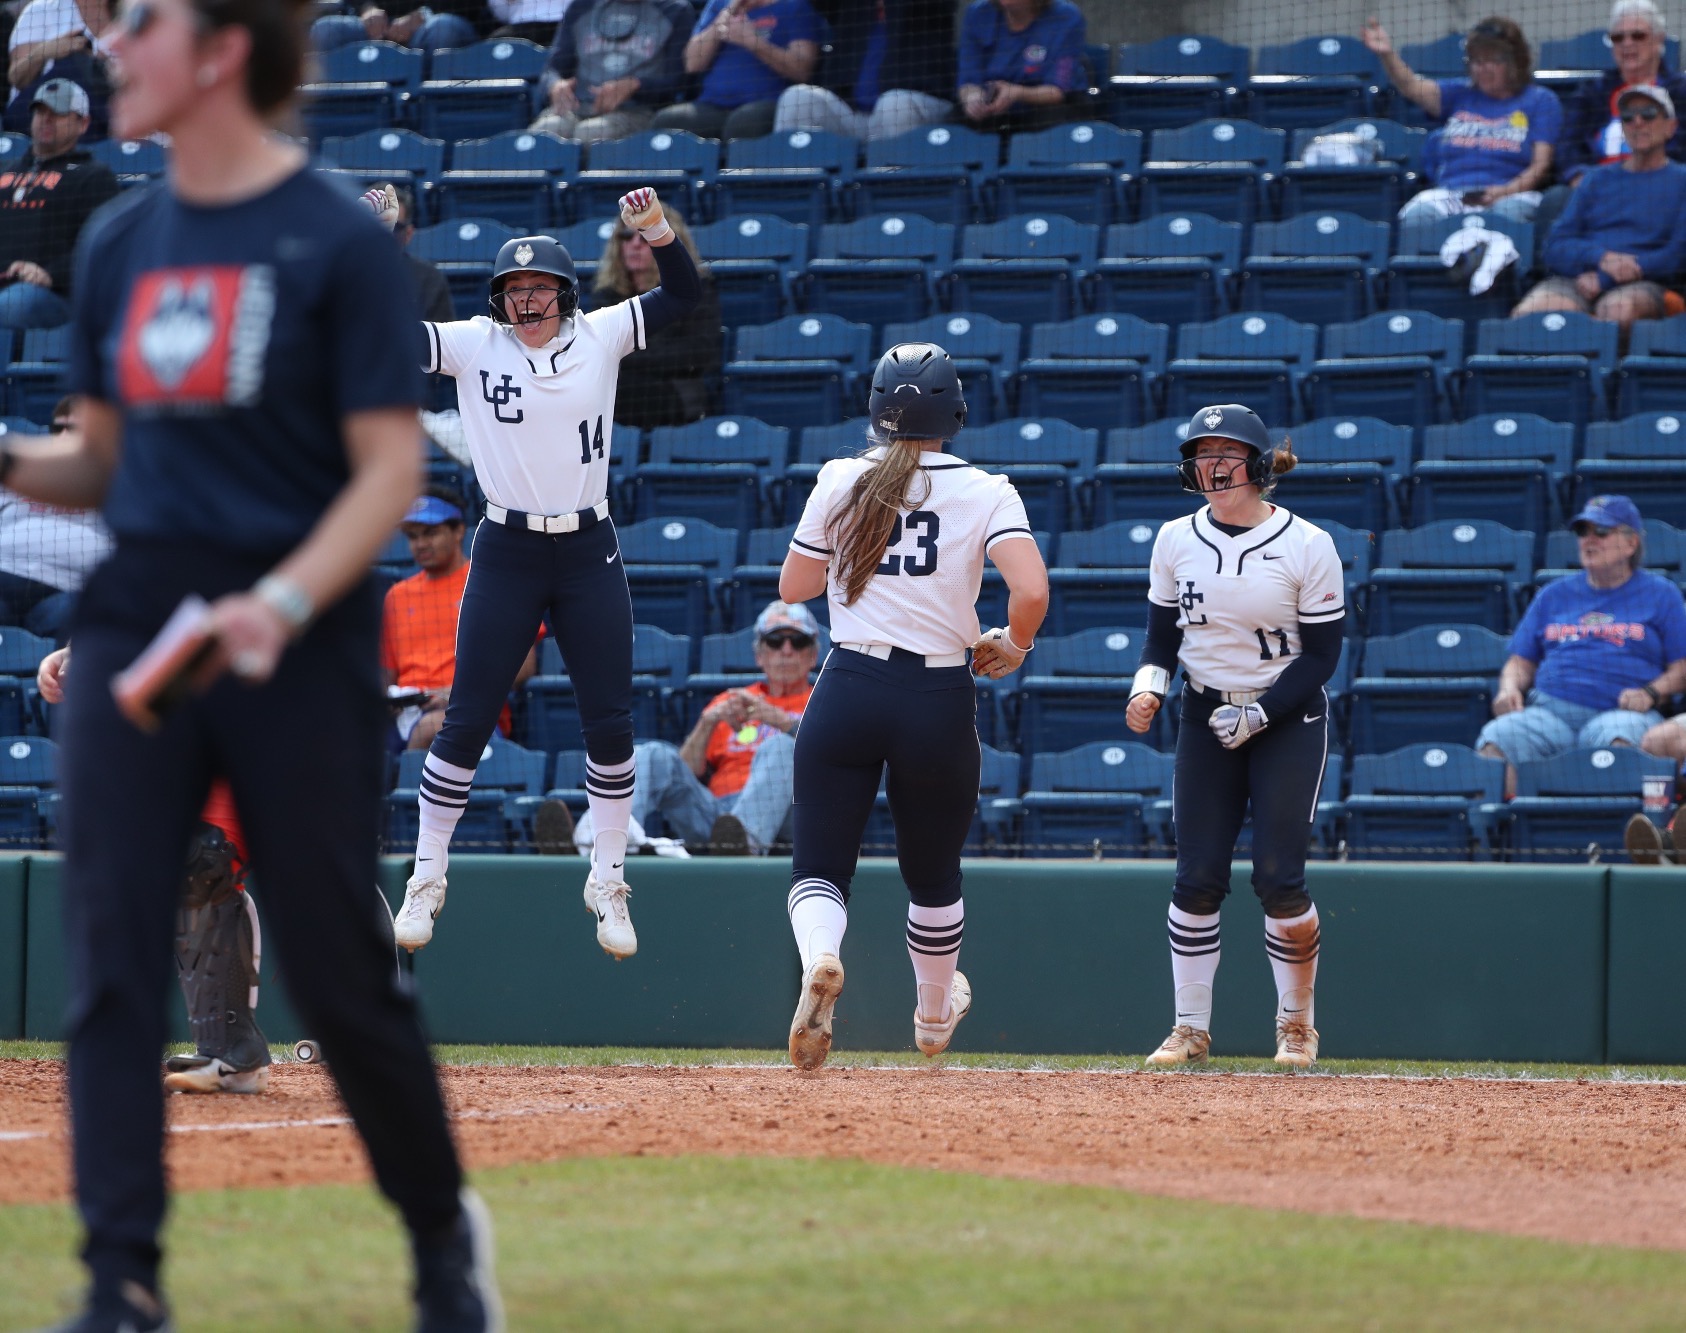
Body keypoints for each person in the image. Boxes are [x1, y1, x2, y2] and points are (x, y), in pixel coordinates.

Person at [2, 0, 498, 1324]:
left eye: (140, 26)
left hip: (299, 636)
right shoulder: (116, 240)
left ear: (222, 50)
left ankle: (443, 1245)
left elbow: (390, 468)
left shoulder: (334, 239)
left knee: (338, 963)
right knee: (110, 956)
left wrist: (277, 602)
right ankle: (121, 1281)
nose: (107, 52)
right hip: (139, 626)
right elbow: (96, 457)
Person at [375, 185, 701, 962]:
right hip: (507, 548)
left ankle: (609, 877)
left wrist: (654, 228)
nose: (527, 302)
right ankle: (427, 874)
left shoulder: (603, 332)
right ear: (499, 300)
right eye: (514, 291)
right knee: (467, 715)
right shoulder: (470, 343)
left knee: (610, 721)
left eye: (540, 289)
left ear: (564, 292)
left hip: (589, 546)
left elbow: (685, 292)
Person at [777, 341, 1048, 1071]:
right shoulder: (988, 488)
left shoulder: (841, 475)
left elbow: (794, 586)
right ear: (952, 412)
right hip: (936, 694)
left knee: (820, 865)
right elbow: (1031, 592)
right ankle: (931, 1017)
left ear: (876, 410)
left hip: (849, 686)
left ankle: (823, 958)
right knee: (932, 873)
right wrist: (1014, 644)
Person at [1125, 404, 1343, 1071]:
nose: (1213, 466)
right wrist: (1148, 686)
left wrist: (1262, 714)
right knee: (1195, 879)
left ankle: (1297, 1024)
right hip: (1204, 713)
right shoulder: (1174, 538)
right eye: (1202, 454)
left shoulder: (1308, 543)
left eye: (1226, 453)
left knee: (1279, 879)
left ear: (1257, 463)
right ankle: (1190, 1027)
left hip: (1287, 717)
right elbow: (1162, 639)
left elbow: (1321, 657)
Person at [39, 645, 276, 1095]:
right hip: (183, 735)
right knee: (186, 867)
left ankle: (240, 1051)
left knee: (208, 865)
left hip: (253, 721)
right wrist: (74, 654)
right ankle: (224, 1048)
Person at [1477, 495, 1686, 788]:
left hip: (1619, 712)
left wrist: (1651, 692)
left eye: (1601, 532)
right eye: (1582, 532)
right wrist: (1508, 689)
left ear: (1631, 543)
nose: (1590, 540)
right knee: (1498, 739)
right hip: (1549, 712)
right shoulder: (1553, 594)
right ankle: (1504, 832)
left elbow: (1682, 669)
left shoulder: (1661, 594)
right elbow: (1520, 661)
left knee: (1622, 742)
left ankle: (1618, 832)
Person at [629, 599, 818, 856]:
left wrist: (781, 721)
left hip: (789, 814)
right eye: (774, 642)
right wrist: (707, 723)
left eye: (798, 642)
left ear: (813, 655)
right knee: (653, 754)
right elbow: (687, 772)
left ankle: (742, 849)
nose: (786, 651)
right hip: (717, 817)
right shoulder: (732, 701)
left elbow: (840, 758)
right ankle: (613, 839)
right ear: (759, 656)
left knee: (781, 747)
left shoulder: (824, 699)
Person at [1512, 84, 1686, 339]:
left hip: (1648, 280)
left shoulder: (1682, 180)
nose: (1637, 122)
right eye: (1627, 116)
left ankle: (1612, 379)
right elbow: (1555, 247)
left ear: (1671, 127)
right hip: (1580, 277)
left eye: (1648, 114)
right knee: (1530, 317)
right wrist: (1602, 258)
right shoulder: (1596, 179)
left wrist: (1605, 278)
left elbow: (1678, 256)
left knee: (1617, 312)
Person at [382, 484, 538, 753]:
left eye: (430, 533)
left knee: (432, 728)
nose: (420, 544)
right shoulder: (397, 595)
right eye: (413, 536)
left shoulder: (491, 584)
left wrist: (453, 693)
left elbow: (524, 666)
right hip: (405, 717)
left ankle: (406, 792)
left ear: (458, 531)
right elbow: (385, 674)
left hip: (471, 711)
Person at [1361, 15, 1559, 225]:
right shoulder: (1460, 93)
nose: (1483, 69)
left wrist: (1504, 191)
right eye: (1477, 61)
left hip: (1513, 194)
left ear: (1515, 63)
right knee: (1418, 215)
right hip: (1453, 193)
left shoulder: (1539, 100)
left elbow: (1541, 165)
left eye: (1493, 60)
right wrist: (1387, 54)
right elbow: (1411, 86)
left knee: (1506, 216)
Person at [0, 79, 118, 330]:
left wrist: (49, 274)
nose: (46, 119)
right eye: (41, 112)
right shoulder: (4, 171)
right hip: (6, 284)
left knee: (14, 303)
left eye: (58, 113)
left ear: (82, 123)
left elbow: (99, 250)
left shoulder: (93, 176)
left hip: (55, 294)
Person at [591, 202, 719, 428]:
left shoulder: (692, 290)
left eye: (644, 238)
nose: (634, 245)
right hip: (622, 390)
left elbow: (698, 353)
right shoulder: (607, 296)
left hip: (675, 392)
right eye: (626, 237)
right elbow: (598, 351)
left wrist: (628, 353)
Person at [0, 395, 111, 640]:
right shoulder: (22, 472)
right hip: (5, 575)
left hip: (64, 589)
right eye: (58, 428)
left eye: (74, 429)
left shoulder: (112, 484)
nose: (63, 435)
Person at [772, 0, 955, 140]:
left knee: (894, 103)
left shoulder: (930, 7)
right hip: (854, 116)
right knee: (798, 98)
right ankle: (792, 187)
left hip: (918, 108)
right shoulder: (853, 7)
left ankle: (897, 188)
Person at [652, 0, 821, 142]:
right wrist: (726, 15)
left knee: (745, 122)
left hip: (769, 104)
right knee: (670, 120)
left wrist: (752, 41)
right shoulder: (719, 6)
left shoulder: (794, 7)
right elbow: (692, 64)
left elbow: (801, 69)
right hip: (713, 106)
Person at [528, 0, 693, 145]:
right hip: (576, 107)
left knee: (589, 133)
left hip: (636, 111)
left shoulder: (675, 9)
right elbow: (552, 69)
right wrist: (555, 84)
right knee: (545, 133)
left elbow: (677, 84)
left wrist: (636, 85)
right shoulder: (582, 6)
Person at [955, 0, 1086, 135]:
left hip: (1044, 106)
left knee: (1051, 122)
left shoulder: (1066, 17)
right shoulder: (978, 13)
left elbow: (1058, 90)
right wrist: (973, 97)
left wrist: (1015, 93)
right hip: (993, 107)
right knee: (955, 124)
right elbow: (967, 80)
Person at [5, 0, 115, 138]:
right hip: (35, 129)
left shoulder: (136, 10)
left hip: (105, 129)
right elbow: (16, 78)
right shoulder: (41, 9)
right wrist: (45, 51)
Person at [384, 180, 455, 325]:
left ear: (408, 234)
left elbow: (440, 343)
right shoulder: (336, 275)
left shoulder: (430, 281)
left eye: (394, 226)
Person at [309, 0, 477, 54]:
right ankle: (334, 113)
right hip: (378, 26)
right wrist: (368, 9)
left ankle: (434, 111)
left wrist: (423, 14)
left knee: (443, 29)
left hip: (434, 21)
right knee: (326, 29)